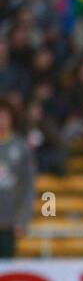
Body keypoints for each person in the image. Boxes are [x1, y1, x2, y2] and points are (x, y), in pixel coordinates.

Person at [0, 100, 35, 259]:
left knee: (6, 268)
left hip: (9, 221)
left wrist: (23, 219)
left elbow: (28, 186)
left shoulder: (21, 147)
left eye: (4, 115)